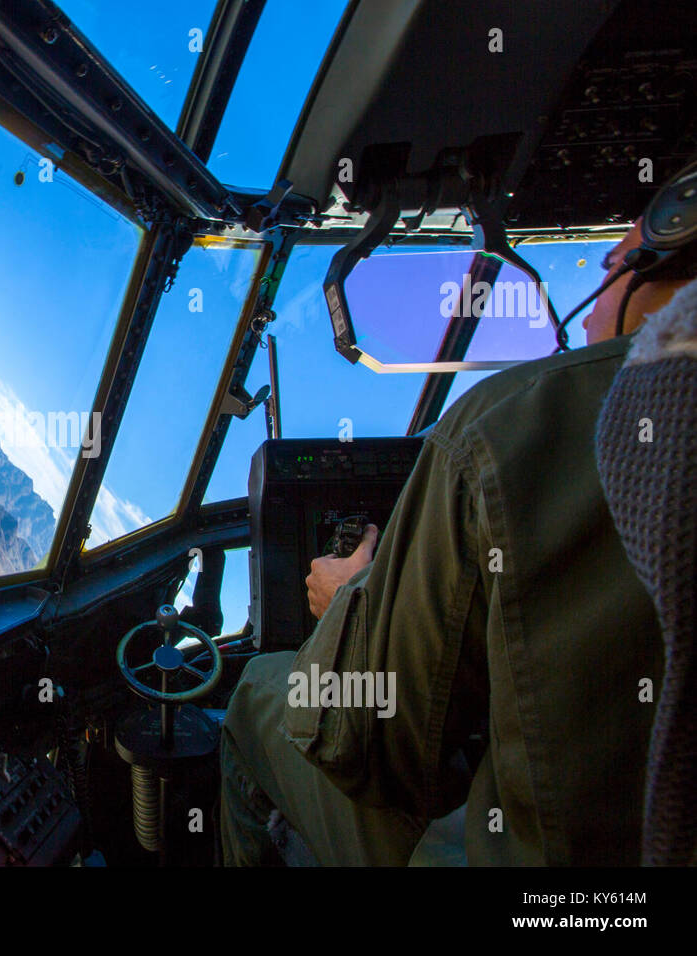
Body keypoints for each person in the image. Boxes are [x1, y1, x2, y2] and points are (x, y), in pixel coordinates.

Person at [221, 216, 696, 866]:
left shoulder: (514, 422)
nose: (583, 326)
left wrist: (349, 598)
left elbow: (363, 739)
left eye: (606, 272)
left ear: (668, 247)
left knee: (255, 689)